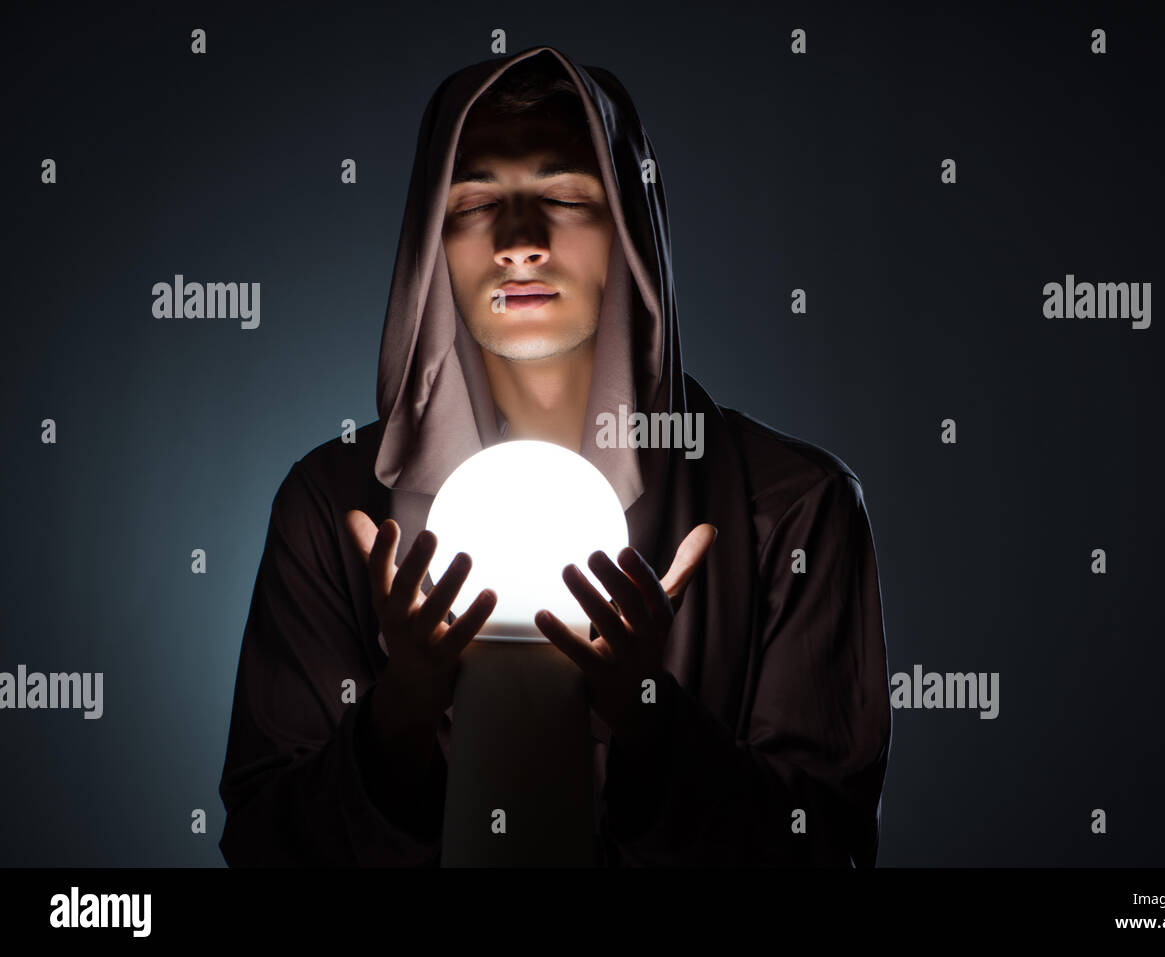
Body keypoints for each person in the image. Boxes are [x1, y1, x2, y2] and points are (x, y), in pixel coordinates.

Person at [217, 45, 892, 867]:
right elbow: (260, 846)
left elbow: (831, 853)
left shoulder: (795, 506)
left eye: (565, 195)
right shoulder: (332, 507)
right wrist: (400, 711)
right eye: (474, 201)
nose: (520, 242)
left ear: (632, 229)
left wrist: (649, 715)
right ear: (433, 235)